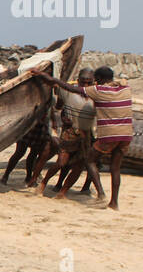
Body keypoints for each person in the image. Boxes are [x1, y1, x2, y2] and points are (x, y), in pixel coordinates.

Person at [37, 66, 133, 209]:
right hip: (126, 135)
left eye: (93, 80)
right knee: (115, 168)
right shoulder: (126, 89)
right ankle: (114, 203)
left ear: (98, 80)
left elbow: (71, 88)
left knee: (88, 159)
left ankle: (101, 194)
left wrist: (47, 77)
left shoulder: (98, 91)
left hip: (109, 135)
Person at [39, 68, 97, 197]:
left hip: (86, 135)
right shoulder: (69, 92)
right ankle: (43, 182)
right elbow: (59, 105)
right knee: (61, 162)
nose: (86, 86)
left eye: (89, 83)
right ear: (78, 81)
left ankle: (63, 191)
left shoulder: (96, 94)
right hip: (69, 133)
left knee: (78, 167)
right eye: (83, 82)